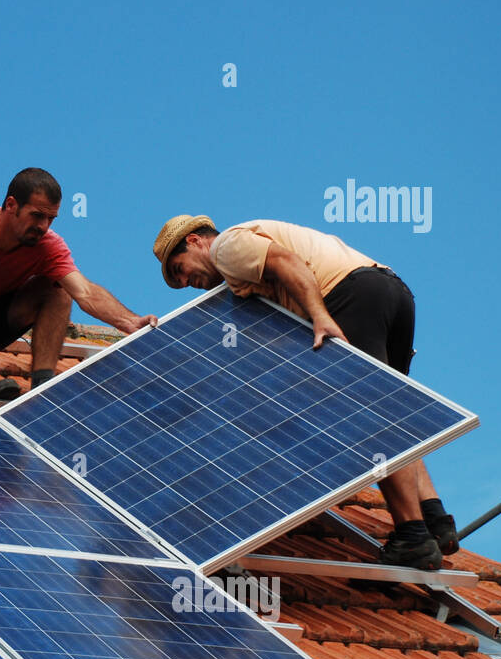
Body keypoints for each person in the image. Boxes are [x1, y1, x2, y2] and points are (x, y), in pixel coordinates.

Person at [152, 214, 459, 571]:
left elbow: (287, 263)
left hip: (348, 295)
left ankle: (413, 535)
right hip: (391, 293)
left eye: (180, 269)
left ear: (195, 241)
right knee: (387, 410)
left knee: (370, 420)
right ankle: (435, 519)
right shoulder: (242, 270)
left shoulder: (226, 247)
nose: (186, 282)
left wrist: (319, 315)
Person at [0, 168, 156, 403]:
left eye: (50, 218)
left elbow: (85, 292)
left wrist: (130, 322)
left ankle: (43, 390)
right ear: (11, 205)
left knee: (58, 291)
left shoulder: (48, 247)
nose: (43, 226)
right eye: (36, 215)